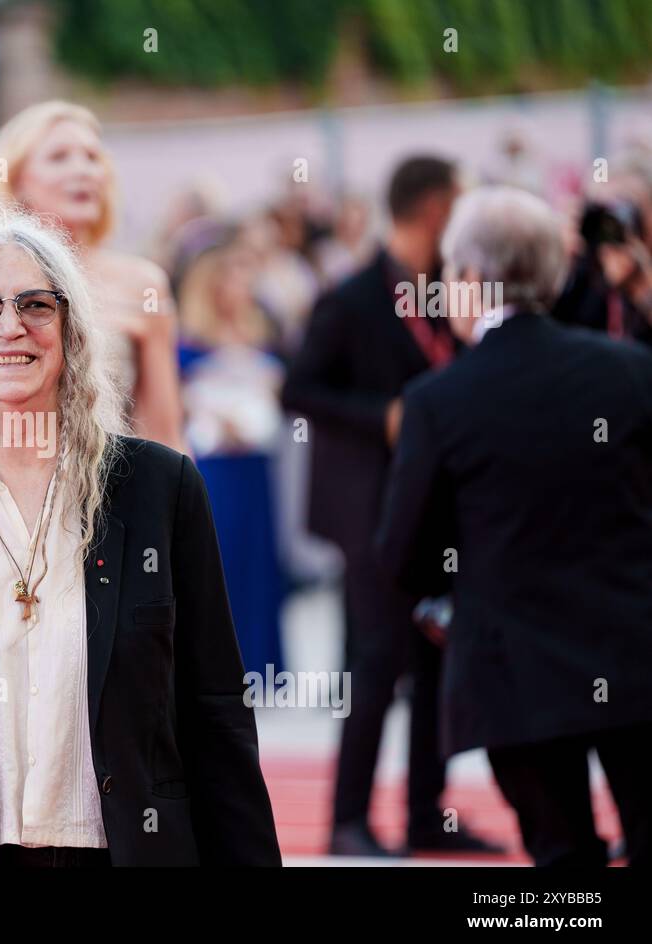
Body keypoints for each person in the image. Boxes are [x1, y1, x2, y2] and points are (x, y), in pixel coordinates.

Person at [0, 208, 281, 866]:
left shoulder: (159, 487)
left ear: (71, 328)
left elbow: (217, 714)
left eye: (36, 304)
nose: (11, 327)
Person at [376, 186, 652, 867]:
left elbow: (402, 549)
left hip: (514, 666)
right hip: (636, 651)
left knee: (563, 867)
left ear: (470, 278)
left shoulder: (438, 400)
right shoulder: (631, 370)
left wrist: (445, 602)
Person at [282, 155, 499, 857]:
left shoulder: (452, 293)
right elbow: (298, 392)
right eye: (459, 208)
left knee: (440, 658)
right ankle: (348, 820)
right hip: (369, 513)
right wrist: (386, 417)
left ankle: (427, 814)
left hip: (444, 509)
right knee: (375, 662)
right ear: (434, 209)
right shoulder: (348, 299)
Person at [0, 100, 187, 453]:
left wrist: (183, 506)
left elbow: (163, 432)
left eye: (93, 157)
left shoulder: (142, 284)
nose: (84, 171)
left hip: (112, 493)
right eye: (59, 157)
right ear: (17, 182)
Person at [171, 219, 285, 674]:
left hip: (257, 463)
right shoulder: (187, 340)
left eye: (246, 273)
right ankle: (219, 667)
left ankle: (263, 664)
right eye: (233, 273)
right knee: (222, 557)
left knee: (261, 560)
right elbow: (172, 400)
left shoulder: (261, 332)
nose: (243, 283)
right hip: (215, 465)